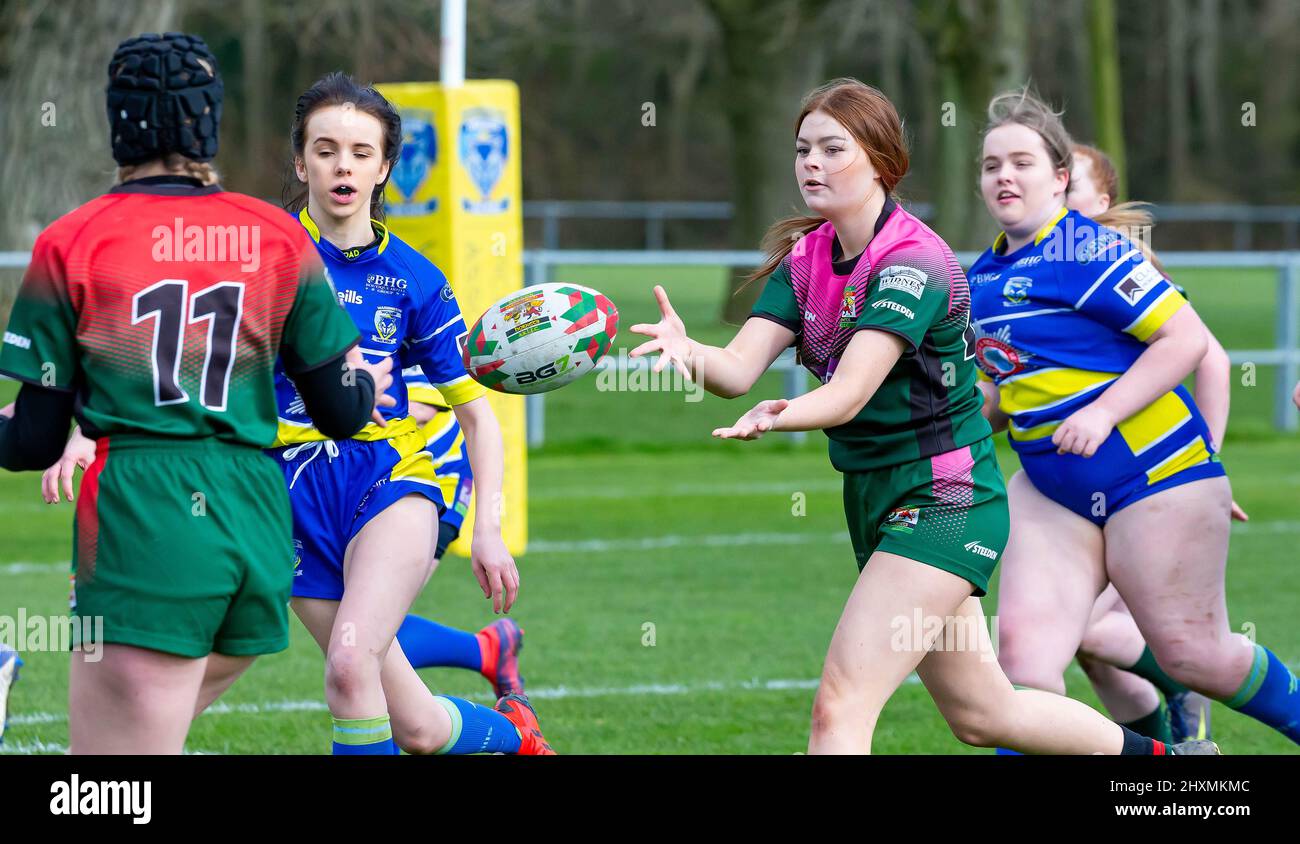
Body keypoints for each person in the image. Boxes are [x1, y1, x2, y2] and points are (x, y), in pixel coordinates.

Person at [631, 78, 1214, 754]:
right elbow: (735, 371)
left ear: (879, 160)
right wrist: (688, 352)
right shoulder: (807, 258)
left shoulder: (911, 260)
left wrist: (781, 414)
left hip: (945, 498)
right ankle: (1175, 764)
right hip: (875, 495)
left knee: (840, 706)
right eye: (802, 150)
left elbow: (849, 393)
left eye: (831, 148)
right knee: (986, 715)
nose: (811, 164)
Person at [0, 33, 389, 753]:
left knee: (108, 788)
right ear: (209, 122)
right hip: (255, 517)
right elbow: (342, 411)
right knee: (155, 724)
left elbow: (30, 441)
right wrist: (365, 384)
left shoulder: (74, 241)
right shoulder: (277, 234)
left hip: (147, 514)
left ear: (117, 123)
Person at [970, 88, 1300, 749]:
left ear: (1061, 177)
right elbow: (1005, 393)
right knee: (1024, 671)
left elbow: (1187, 342)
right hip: (1051, 489)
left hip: (1154, 476)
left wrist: (1105, 411)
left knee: (1194, 658)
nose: (1004, 176)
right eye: (990, 165)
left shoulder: (1086, 250)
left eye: (1022, 162)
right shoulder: (981, 275)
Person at [273, 72, 548, 754]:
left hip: (389, 477)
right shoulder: (264, 260)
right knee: (418, 728)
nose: (343, 166)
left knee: (347, 664)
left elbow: (479, 417)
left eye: (362, 153)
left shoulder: (415, 279)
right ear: (300, 160)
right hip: (282, 491)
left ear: (385, 167)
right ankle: (512, 737)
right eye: (327, 149)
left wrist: (487, 529)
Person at [1062, 143, 1246, 743]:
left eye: (1069, 186)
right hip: (1082, 488)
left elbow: (1211, 358)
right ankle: (1170, 746)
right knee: (1089, 648)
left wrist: (1202, 465)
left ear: (1101, 201)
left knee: (1081, 631)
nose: (1053, 193)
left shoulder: (1122, 261)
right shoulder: (1038, 267)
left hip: (1143, 480)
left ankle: (1181, 685)